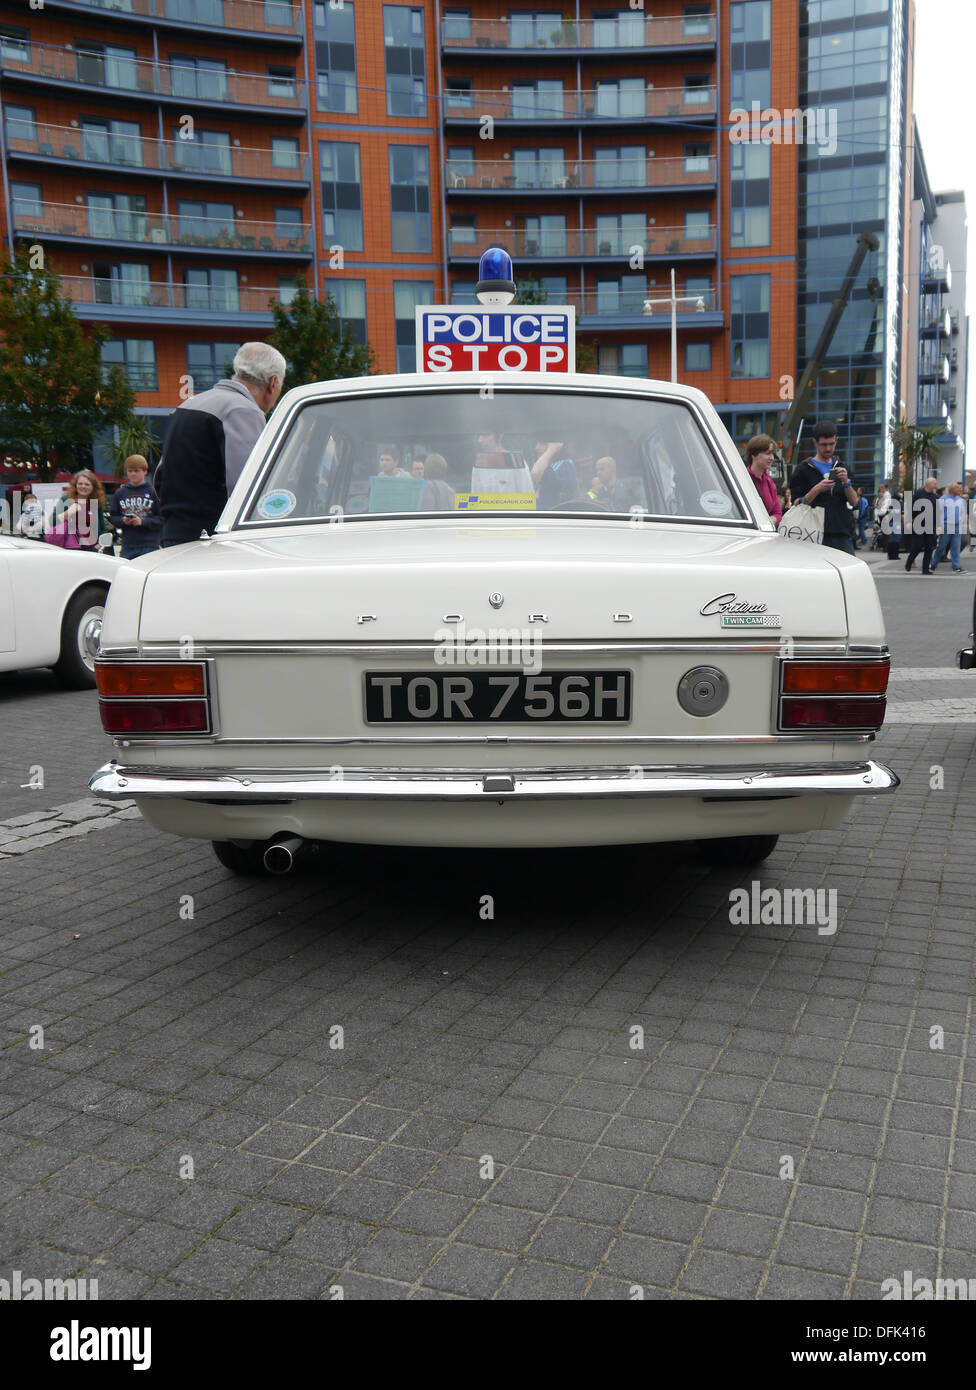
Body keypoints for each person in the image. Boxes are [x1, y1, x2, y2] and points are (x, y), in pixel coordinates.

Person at [157, 341, 285, 546]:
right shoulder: (243, 410)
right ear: (272, 383)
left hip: (173, 533)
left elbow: (161, 476)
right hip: (212, 541)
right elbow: (248, 488)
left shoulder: (186, 405)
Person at [787, 420, 858, 555]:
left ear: (836, 440)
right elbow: (796, 504)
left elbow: (854, 502)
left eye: (831, 444)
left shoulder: (842, 466)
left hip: (841, 534)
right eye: (824, 444)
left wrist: (846, 482)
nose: (828, 449)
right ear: (815, 442)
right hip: (812, 534)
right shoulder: (803, 469)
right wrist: (816, 489)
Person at [109, 454, 162, 560]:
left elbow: (162, 518)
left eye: (136, 471)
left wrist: (142, 522)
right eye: (130, 471)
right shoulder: (119, 493)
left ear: (145, 471)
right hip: (128, 545)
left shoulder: (154, 492)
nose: (133, 474)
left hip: (150, 545)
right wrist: (123, 520)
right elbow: (113, 517)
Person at [44, 470, 110, 551]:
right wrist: (68, 512)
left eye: (87, 484)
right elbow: (52, 521)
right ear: (75, 485)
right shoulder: (66, 500)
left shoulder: (95, 502)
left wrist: (99, 544)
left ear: (93, 487)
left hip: (92, 550)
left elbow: (103, 528)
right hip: (70, 549)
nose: (83, 486)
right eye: (80, 484)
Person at [742, 434, 782, 524]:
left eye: (772, 454)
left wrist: (769, 522)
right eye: (768, 453)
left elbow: (778, 513)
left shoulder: (769, 481)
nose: (772, 458)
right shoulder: (743, 479)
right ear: (754, 455)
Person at [904, 476, 939, 574]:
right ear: (929, 484)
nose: (936, 485)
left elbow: (937, 512)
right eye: (935, 483)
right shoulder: (919, 494)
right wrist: (909, 521)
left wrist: (938, 525)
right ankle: (910, 561)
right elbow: (911, 508)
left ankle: (925, 569)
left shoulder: (935, 496)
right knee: (918, 545)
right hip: (919, 524)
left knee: (929, 547)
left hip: (931, 526)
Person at [930, 480, 966, 574]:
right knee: (941, 546)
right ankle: (933, 564)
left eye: (960, 488)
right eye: (957, 488)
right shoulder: (943, 499)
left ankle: (956, 567)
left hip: (957, 526)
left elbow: (962, 513)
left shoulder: (961, 500)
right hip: (946, 526)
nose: (960, 489)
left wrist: (962, 523)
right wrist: (939, 526)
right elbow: (938, 513)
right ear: (951, 489)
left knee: (956, 547)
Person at [531, 439, 579, 508]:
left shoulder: (564, 466)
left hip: (554, 516)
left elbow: (535, 474)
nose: (536, 448)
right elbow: (538, 499)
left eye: (542, 443)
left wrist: (551, 450)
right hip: (542, 514)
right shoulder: (551, 466)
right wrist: (511, 501)